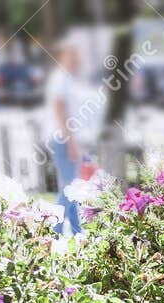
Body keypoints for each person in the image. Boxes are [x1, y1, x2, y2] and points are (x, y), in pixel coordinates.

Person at [45, 38, 100, 233]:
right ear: (63, 55)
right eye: (73, 55)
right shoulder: (59, 78)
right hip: (63, 139)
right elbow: (59, 109)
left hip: (68, 138)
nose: (77, 59)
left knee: (73, 186)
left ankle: (77, 229)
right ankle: (55, 229)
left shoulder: (67, 78)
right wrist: (71, 142)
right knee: (68, 187)